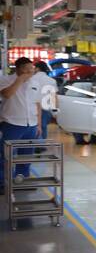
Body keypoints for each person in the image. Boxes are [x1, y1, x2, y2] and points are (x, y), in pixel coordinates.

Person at [0, 58, 43, 190]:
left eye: (32, 68)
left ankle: (22, 180)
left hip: (31, 125)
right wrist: (19, 80)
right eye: (27, 69)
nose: (31, 71)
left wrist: (39, 124)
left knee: (26, 155)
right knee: (5, 155)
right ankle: (2, 183)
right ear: (18, 69)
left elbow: (37, 104)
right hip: (11, 123)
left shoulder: (35, 82)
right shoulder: (5, 80)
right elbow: (7, 94)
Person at [32, 61, 58, 140]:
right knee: (43, 127)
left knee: (33, 126)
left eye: (34, 68)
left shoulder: (31, 79)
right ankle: (41, 145)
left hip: (32, 106)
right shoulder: (51, 80)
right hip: (45, 107)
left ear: (38, 68)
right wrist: (55, 111)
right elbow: (54, 97)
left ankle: (35, 145)